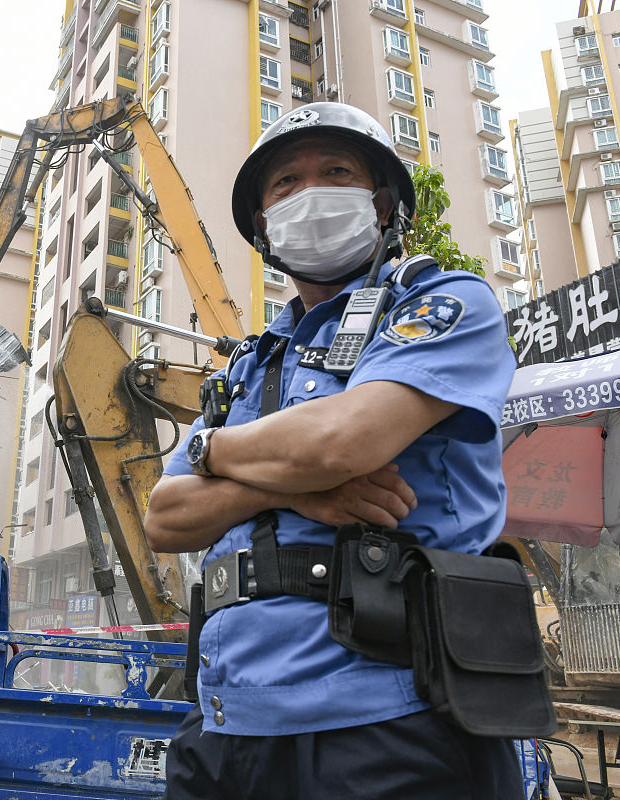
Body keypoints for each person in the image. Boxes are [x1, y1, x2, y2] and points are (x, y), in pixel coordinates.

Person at [144, 103, 521, 798]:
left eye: (336, 171)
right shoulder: (246, 368)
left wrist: (217, 455)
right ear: (262, 226)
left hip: (390, 720)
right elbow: (165, 517)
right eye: (285, 182)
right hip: (226, 727)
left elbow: (345, 439)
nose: (310, 192)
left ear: (383, 205)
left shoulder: (441, 303)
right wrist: (291, 486)